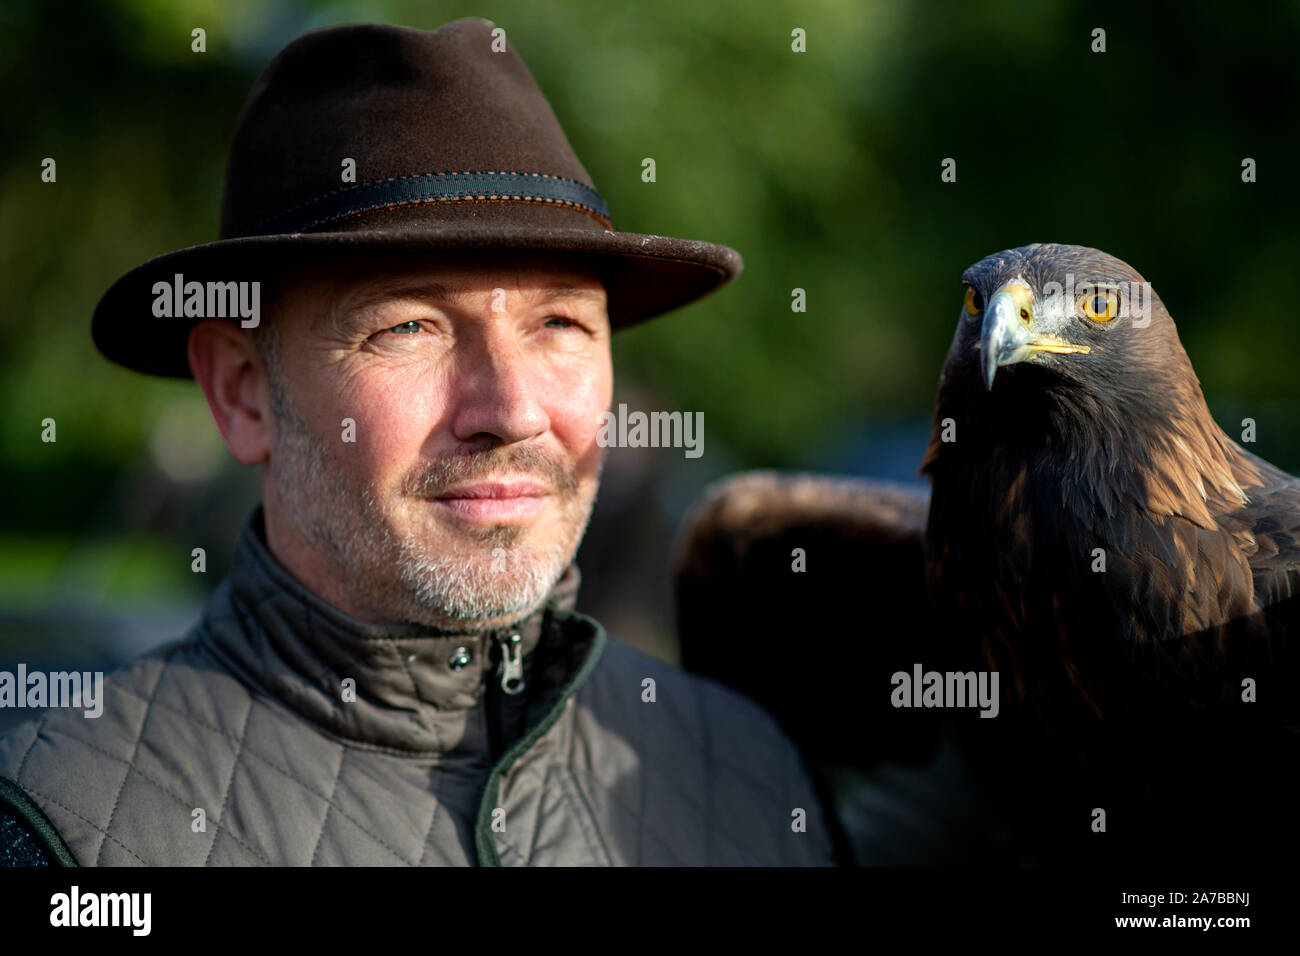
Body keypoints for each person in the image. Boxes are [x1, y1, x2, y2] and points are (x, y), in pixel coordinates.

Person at [0, 18, 837, 866]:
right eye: (409, 326)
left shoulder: (754, 777)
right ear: (242, 391)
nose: (510, 409)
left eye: (560, 323)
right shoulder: (64, 827)